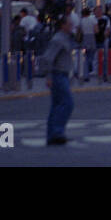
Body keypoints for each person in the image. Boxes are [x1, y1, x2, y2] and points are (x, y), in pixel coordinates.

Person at [40, 13, 77, 146]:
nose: (72, 26)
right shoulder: (58, 40)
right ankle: (57, 132)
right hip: (58, 74)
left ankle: (53, 134)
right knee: (67, 103)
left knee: (57, 105)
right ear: (63, 25)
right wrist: (49, 76)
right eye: (69, 24)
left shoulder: (65, 38)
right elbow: (48, 58)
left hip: (62, 74)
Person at [78, 7, 98, 81]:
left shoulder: (81, 21)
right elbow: (96, 30)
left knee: (85, 56)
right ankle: (90, 68)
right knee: (91, 55)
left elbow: (79, 31)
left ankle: (85, 73)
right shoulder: (93, 20)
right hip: (91, 37)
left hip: (84, 38)